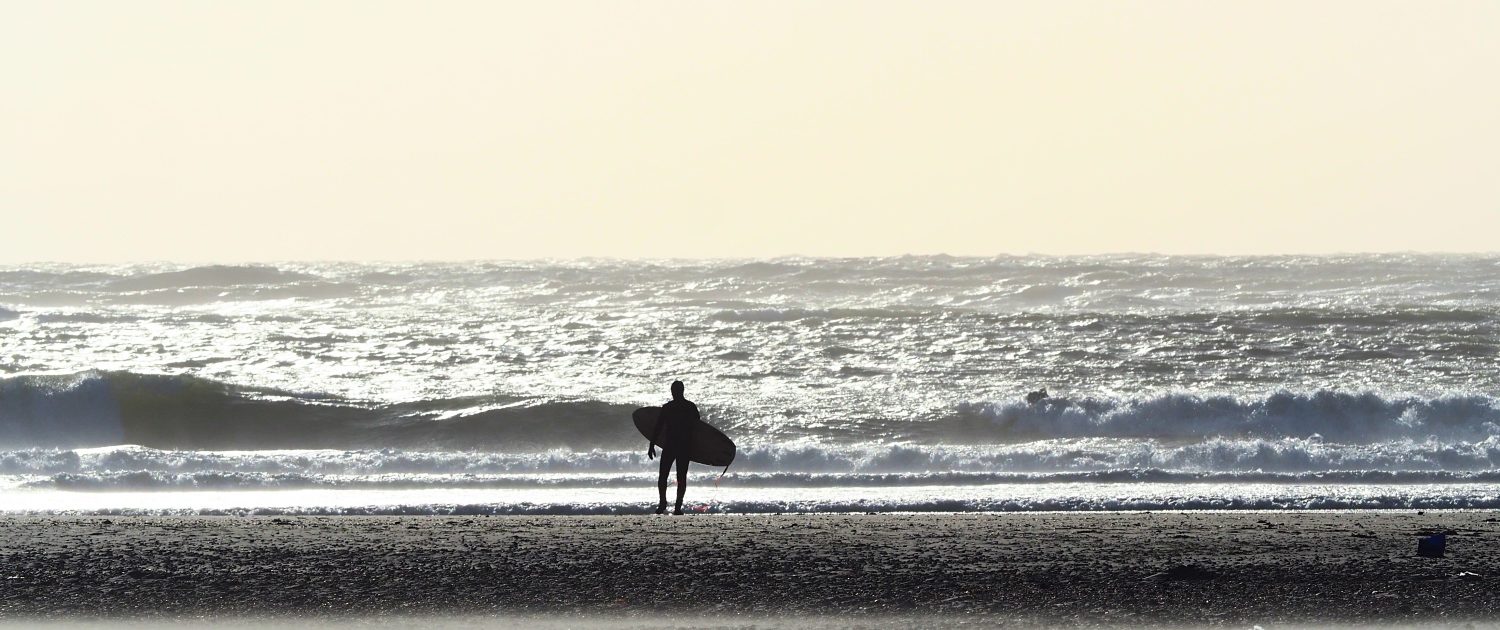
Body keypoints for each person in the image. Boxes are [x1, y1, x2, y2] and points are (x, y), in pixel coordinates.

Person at [648, 380, 700, 515]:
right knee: (674, 477)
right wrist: (651, 444)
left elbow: (699, 430)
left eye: (674, 390)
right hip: (681, 446)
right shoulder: (689, 407)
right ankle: (671, 505)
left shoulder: (671, 407)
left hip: (674, 446)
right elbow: (699, 430)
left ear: (678, 391)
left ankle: (669, 505)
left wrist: (652, 444)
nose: (673, 393)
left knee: (670, 477)